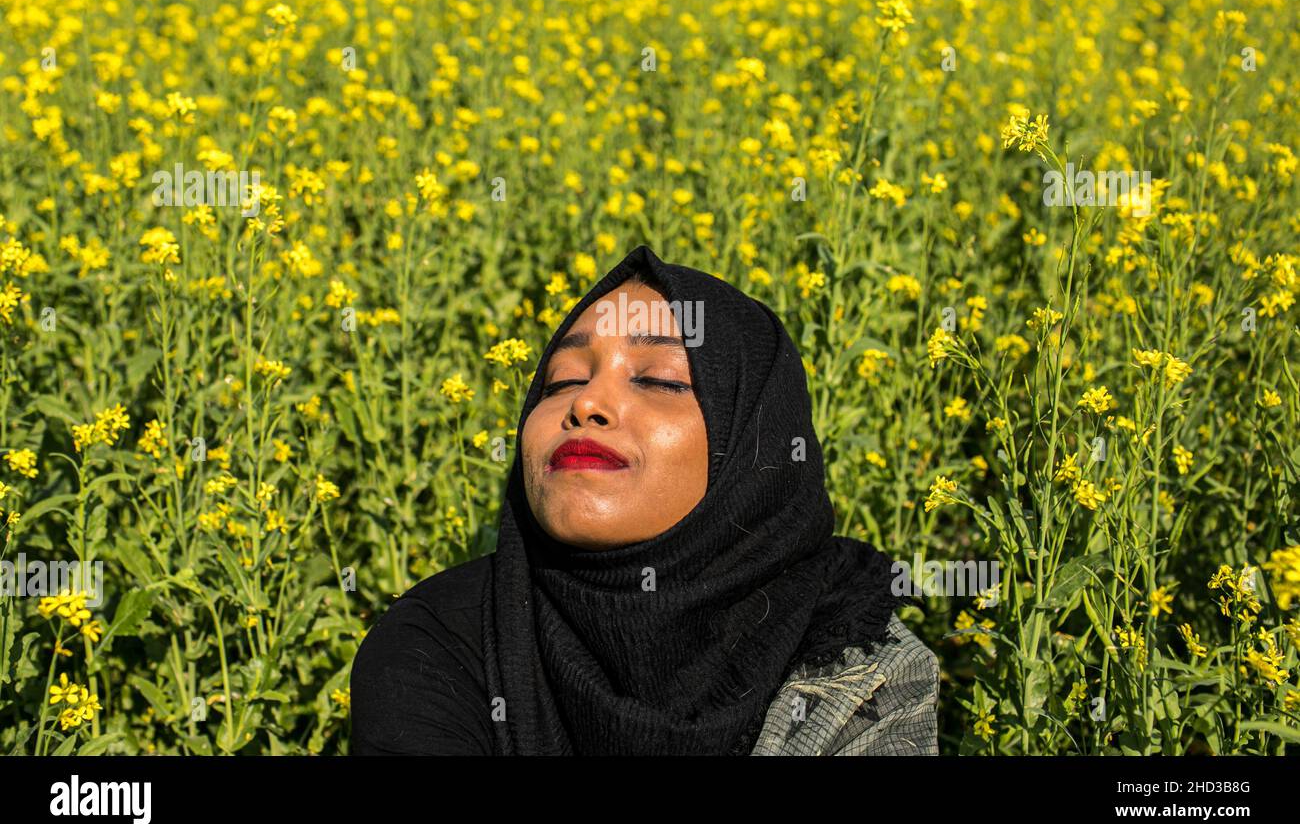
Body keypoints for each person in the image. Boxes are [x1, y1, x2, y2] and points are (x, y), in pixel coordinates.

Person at [350, 245, 939, 755]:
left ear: (752, 445)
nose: (586, 405)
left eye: (659, 380)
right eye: (561, 382)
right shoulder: (438, 645)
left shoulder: (857, 666)